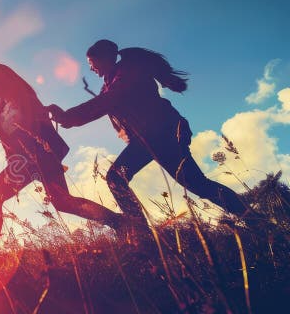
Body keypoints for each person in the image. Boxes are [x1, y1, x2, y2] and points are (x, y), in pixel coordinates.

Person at [47, 39, 250, 230]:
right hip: (151, 138)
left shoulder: (127, 73)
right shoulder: (112, 81)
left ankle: (140, 232)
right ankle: (253, 218)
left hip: (158, 135)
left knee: (118, 178)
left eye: (92, 62)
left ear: (105, 59)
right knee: (197, 184)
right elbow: (100, 104)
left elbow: (105, 103)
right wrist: (65, 118)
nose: (91, 68)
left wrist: (67, 117)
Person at [0, 62, 123, 258]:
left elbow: (37, 127)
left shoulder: (26, 98)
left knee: (59, 202)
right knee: (2, 196)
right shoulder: (1, 110)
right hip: (22, 163)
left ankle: (119, 222)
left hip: (41, 159)